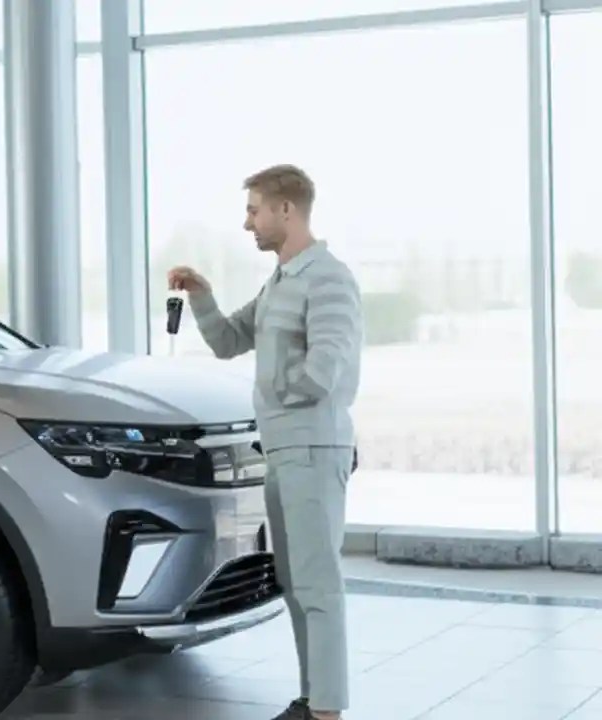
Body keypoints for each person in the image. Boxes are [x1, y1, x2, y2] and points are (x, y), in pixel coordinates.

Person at [168, 165, 361, 720]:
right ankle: (311, 699)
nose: (247, 221)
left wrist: (274, 393)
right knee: (295, 581)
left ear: (286, 210)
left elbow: (324, 371)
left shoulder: (327, 277)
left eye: (254, 209)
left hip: (313, 448)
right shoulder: (279, 282)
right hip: (281, 450)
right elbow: (229, 341)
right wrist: (202, 296)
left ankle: (326, 709)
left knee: (317, 582)